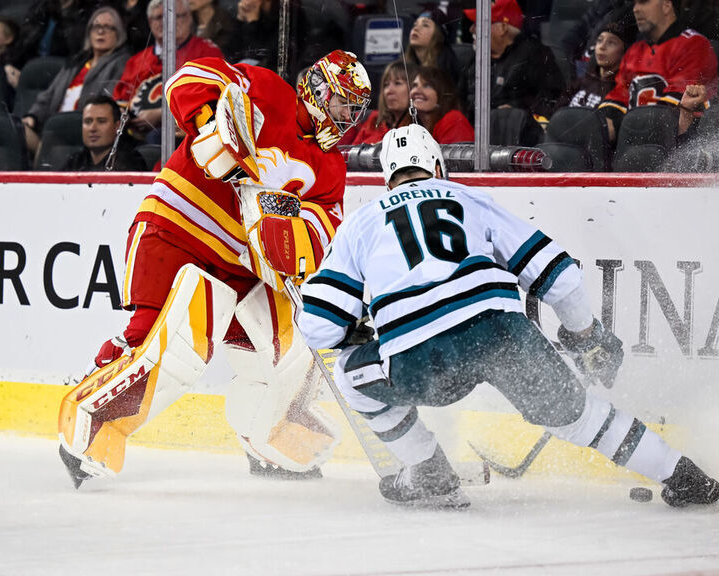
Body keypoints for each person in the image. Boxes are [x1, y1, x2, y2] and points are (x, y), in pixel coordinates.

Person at [296, 124, 719, 509]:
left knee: (352, 377)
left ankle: (427, 470)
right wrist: (585, 336)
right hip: (499, 333)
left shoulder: (360, 223)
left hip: (419, 358)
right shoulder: (469, 197)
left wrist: (358, 334)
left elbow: (319, 327)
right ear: (439, 166)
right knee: (581, 416)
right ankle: (686, 477)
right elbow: (562, 277)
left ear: (387, 178)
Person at [58, 50, 372, 487]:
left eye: (353, 111)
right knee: (170, 347)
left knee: (292, 351)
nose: (346, 118)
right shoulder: (265, 90)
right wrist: (210, 128)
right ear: (317, 89)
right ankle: (93, 419)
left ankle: (272, 436)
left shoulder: (331, 167)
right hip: (178, 233)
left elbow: (323, 232)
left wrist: (286, 239)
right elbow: (190, 78)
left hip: (245, 270)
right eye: (341, 103)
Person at [598, 0, 718, 142]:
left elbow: (674, 111)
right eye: (635, 4)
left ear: (666, 6)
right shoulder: (635, 51)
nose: (636, 9)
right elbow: (618, 98)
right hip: (632, 142)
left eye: (643, 2)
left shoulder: (694, 44)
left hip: (678, 146)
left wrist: (617, 126)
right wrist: (601, 125)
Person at [22, 6, 131, 154]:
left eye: (108, 27)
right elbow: (47, 96)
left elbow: (107, 103)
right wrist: (33, 116)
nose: (100, 31)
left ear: (118, 34)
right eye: (96, 26)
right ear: (89, 32)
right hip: (53, 128)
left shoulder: (121, 63)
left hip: (83, 129)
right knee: (15, 129)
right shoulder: (76, 62)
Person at [113, 0, 222, 142]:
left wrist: (161, 114)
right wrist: (126, 116)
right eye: (159, 17)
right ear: (150, 22)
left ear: (189, 18)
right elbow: (120, 101)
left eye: (176, 16)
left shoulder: (206, 52)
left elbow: (212, 101)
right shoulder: (136, 61)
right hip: (133, 137)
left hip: (184, 136)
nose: (167, 22)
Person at [461, 0, 565, 124]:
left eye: (479, 24)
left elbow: (551, 97)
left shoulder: (534, 55)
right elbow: (459, 97)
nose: (472, 29)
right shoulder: (476, 57)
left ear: (503, 28)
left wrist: (516, 109)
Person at [559, 11, 638, 109]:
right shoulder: (580, 82)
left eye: (611, 43)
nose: (602, 47)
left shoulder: (621, 91)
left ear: (624, 53)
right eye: (599, 40)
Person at [61, 94, 148, 171]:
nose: (92, 128)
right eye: (88, 121)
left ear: (117, 126)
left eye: (101, 121)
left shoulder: (131, 163)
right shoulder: (76, 161)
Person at [341, 60, 417, 146]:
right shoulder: (370, 120)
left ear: (415, 89)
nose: (389, 91)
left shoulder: (420, 129)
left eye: (397, 83)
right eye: (386, 85)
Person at [409, 66, 474, 144]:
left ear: (442, 94)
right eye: (414, 85)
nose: (417, 90)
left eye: (427, 86)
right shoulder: (413, 124)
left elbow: (455, 155)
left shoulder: (453, 121)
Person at [404, 9, 460, 88]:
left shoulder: (445, 69)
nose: (415, 28)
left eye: (425, 25)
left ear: (438, 36)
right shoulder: (405, 67)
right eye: (415, 24)